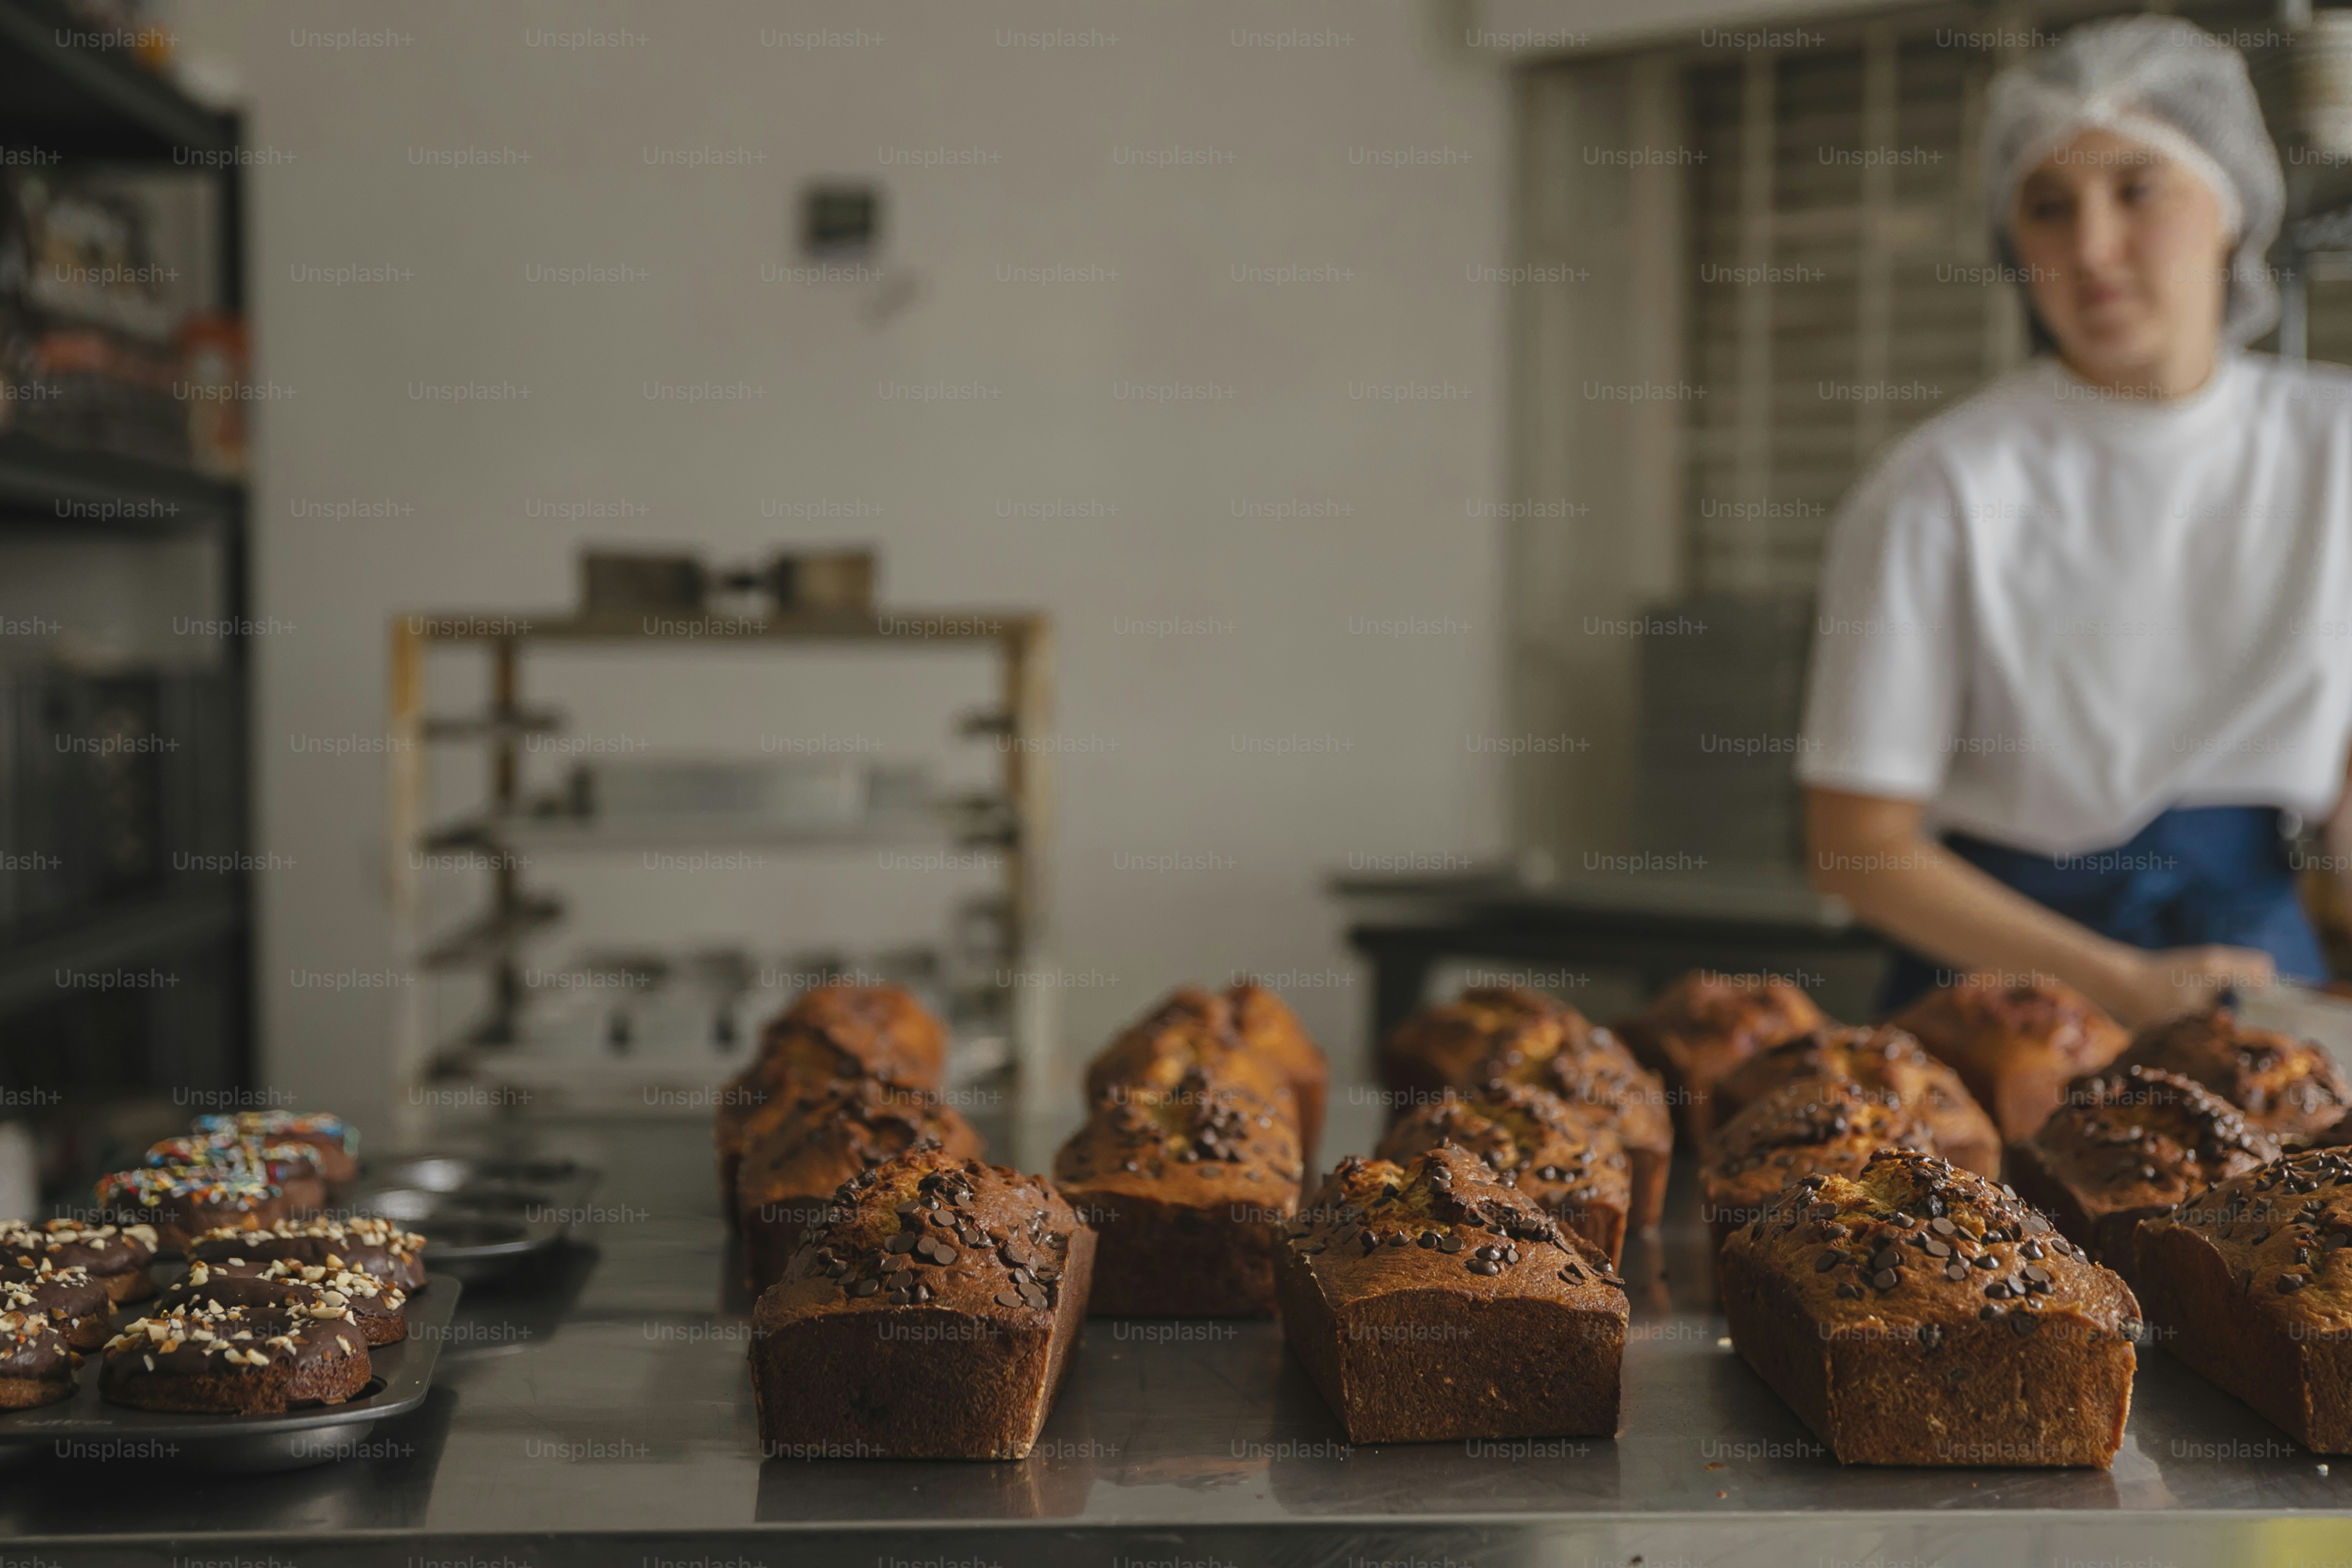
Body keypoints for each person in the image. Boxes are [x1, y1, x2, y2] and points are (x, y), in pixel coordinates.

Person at [1799, 15, 2352, 1025]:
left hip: (2255, 970)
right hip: (2000, 1001)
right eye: (2047, 208)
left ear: (2229, 202)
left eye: (2136, 189)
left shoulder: (2334, 445)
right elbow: (1854, 846)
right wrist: (2116, 985)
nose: (2089, 246)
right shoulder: (1939, 486)